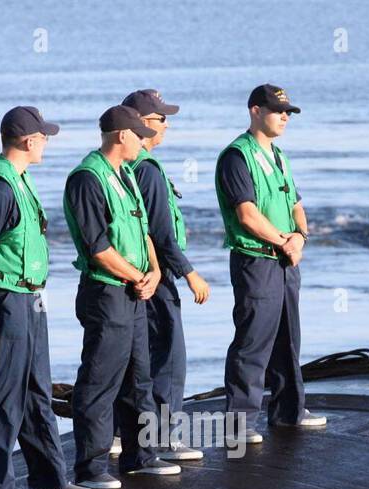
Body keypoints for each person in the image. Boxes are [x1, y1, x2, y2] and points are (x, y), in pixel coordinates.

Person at [0, 106, 94, 489]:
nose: (47, 142)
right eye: (43, 136)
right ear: (26, 141)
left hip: (29, 299)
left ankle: (48, 479)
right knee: (0, 395)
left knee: (37, 390)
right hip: (5, 300)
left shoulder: (19, 180)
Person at [63, 105, 182, 489]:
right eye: (139, 135)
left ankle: (141, 456)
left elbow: (144, 230)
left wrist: (155, 271)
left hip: (134, 291)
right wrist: (137, 276)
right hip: (105, 292)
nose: (144, 141)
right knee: (100, 380)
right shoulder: (87, 178)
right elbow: (98, 247)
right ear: (121, 136)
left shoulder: (127, 174)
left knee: (139, 378)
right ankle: (91, 467)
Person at [216, 84, 326, 444]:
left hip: (285, 260)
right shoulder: (237, 156)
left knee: (287, 339)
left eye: (288, 112)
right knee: (253, 341)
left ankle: (289, 411)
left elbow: (295, 204)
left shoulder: (279, 156)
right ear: (254, 111)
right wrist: (284, 240)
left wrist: (300, 238)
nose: (284, 117)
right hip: (256, 260)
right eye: (278, 110)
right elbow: (247, 214)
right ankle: (240, 422)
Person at [120, 88, 209, 461]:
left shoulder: (123, 168)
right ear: (141, 124)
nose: (167, 125)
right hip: (154, 278)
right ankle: (164, 436)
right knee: (168, 357)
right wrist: (189, 274)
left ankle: (119, 431)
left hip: (133, 276)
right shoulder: (147, 171)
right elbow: (159, 234)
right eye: (160, 119)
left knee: (133, 360)